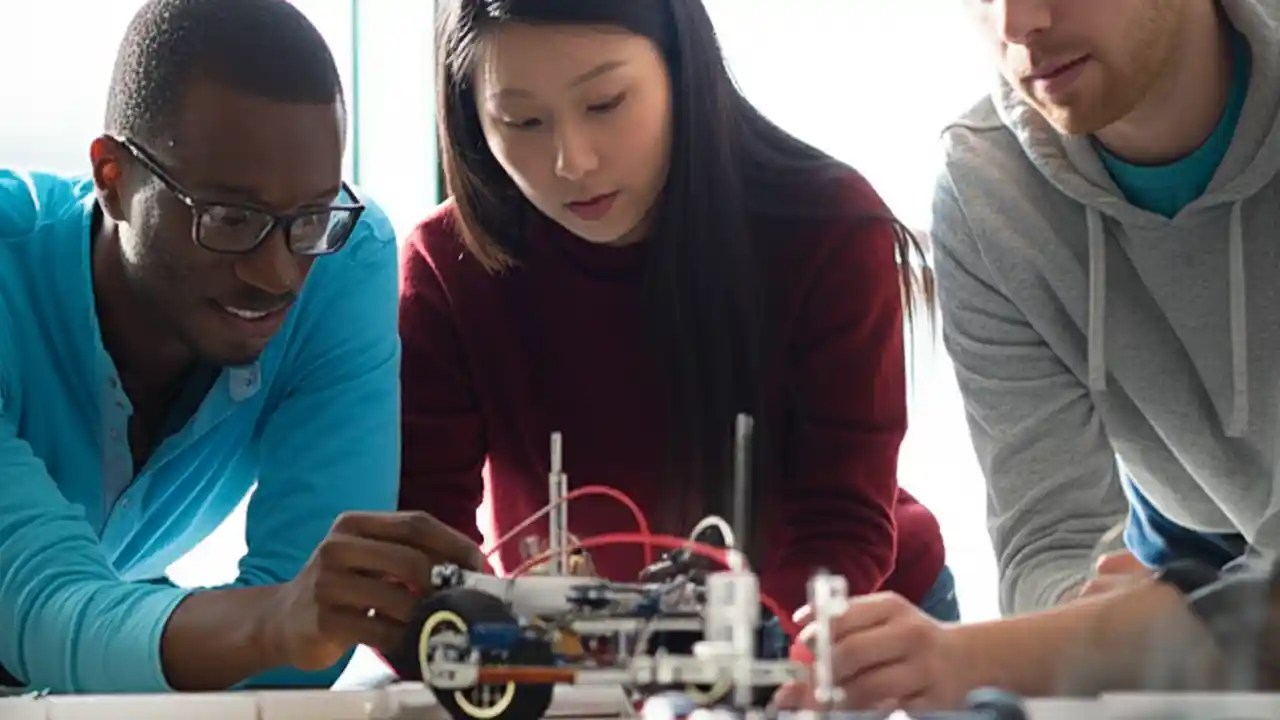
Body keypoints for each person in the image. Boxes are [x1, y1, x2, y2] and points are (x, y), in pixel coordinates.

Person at [398, 0, 957, 622]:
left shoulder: (828, 227)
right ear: (472, 120)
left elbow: (841, 530)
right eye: (523, 121)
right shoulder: (448, 266)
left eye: (606, 103)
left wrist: (701, 654)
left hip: (854, 623)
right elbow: (421, 542)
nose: (573, 161)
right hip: (587, 649)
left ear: (681, 67)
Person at [0, 0, 483, 695]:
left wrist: (286, 622)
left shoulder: (343, 260)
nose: (278, 274)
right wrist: (272, 623)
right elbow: (46, 612)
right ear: (114, 178)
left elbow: (301, 650)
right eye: (229, 218)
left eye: (311, 216)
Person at [931, 0, 1280, 615]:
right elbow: (1050, 545)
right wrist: (1087, 631)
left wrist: (1183, 630)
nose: (1016, 24)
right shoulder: (985, 192)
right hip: (1179, 546)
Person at [774, 555, 1280, 710]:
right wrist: (1100, 618)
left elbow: (1264, 620)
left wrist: (964, 657)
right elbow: (1049, 537)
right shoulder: (991, 299)